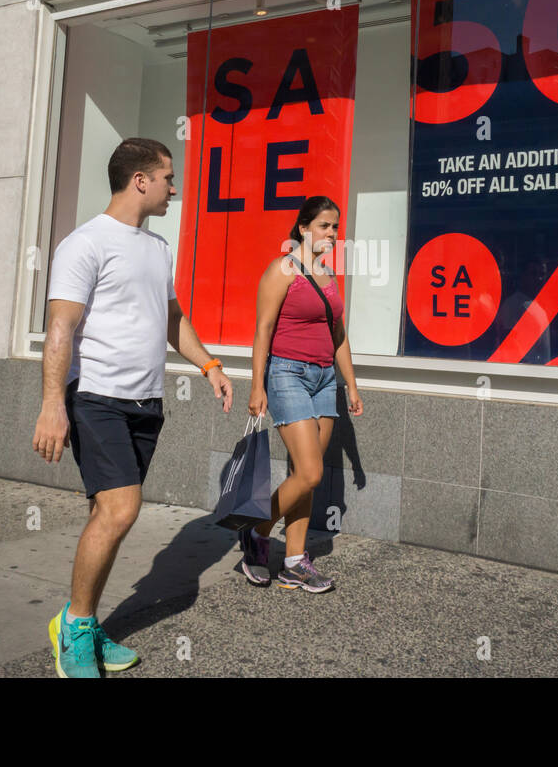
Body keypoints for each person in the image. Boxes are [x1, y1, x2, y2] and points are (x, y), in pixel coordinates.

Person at [32, 137, 232, 678]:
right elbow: (60, 327)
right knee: (121, 509)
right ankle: (74, 629)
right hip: (97, 398)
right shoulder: (84, 244)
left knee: (109, 514)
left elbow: (173, 320)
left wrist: (209, 366)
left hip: (147, 402)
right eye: (169, 177)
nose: (175, 187)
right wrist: (53, 404)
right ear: (140, 180)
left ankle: (85, 618)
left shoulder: (157, 247)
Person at [240, 195, 363, 592]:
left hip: (326, 379)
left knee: (304, 476)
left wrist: (352, 384)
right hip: (287, 375)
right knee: (310, 472)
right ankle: (257, 531)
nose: (331, 233)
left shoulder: (328, 276)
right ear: (303, 228)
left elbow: (338, 334)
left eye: (335, 228)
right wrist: (257, 384)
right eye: (324, 226)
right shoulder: (283, 270)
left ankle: (294, 560)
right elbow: (263, 330)